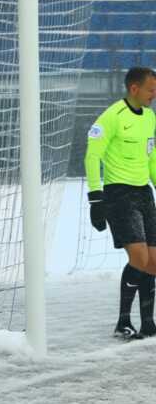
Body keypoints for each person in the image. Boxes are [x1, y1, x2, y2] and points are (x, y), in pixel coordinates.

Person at [85, 66, 156, 340]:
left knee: (152, 262)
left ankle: (148, 322)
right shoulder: (111, 116)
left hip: (143, 193)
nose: (154, 95)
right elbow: (92, 157)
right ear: (134, 89)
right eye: (150, 90)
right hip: (118, 194)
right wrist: (95, 198)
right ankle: (123, 322)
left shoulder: (149, 118)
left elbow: (150, 159)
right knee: (139, 257)